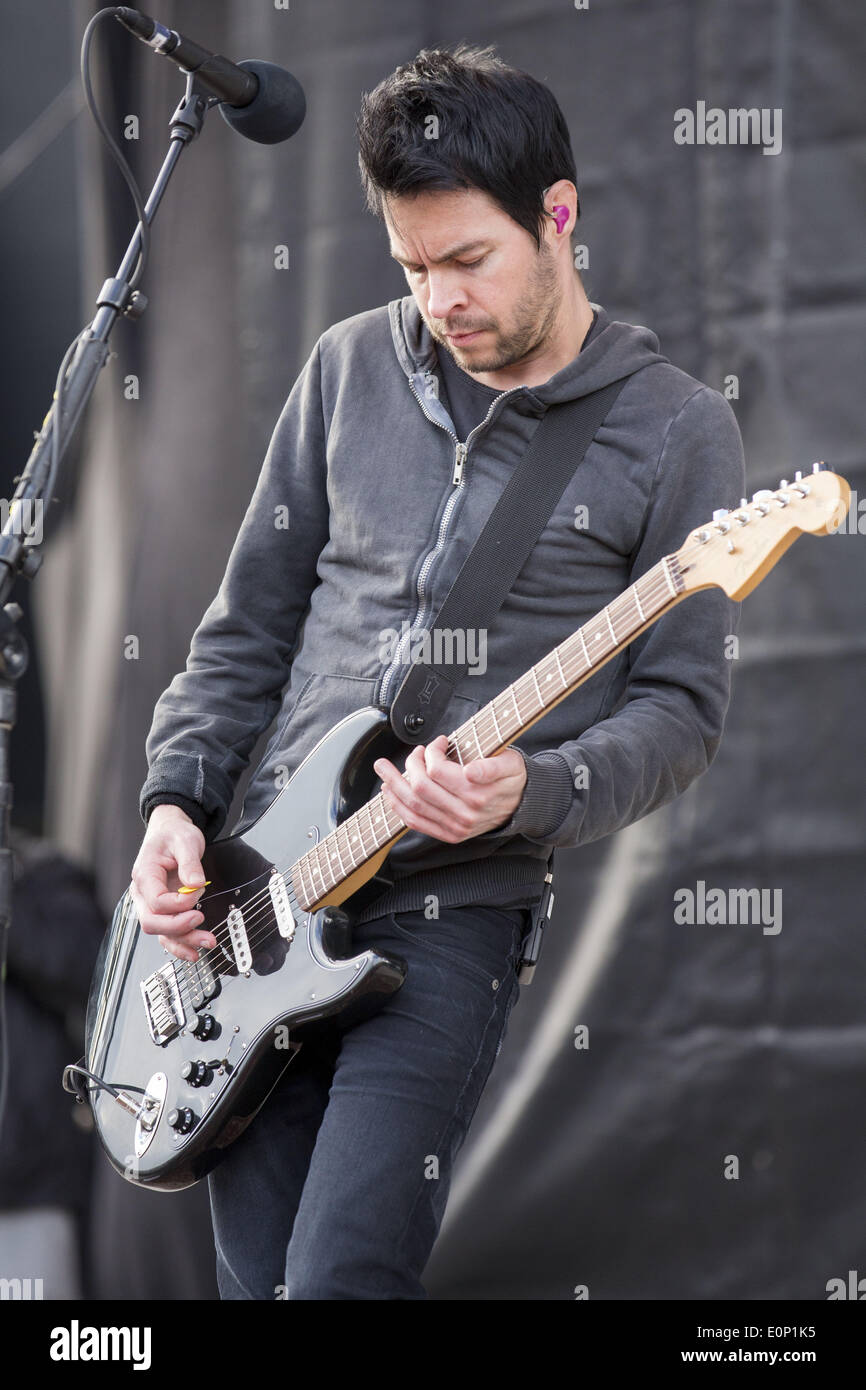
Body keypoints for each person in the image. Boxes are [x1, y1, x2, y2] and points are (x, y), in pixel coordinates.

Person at [130, 43, 746, 1299]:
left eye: (468, 260)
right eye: (412, 267)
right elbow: (244, 629)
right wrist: (171, 810)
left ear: (557, 217)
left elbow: (680, 713)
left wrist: (528, 786)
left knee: (344, 1275)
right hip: (258, 899)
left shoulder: (674, 426)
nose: (439, 301)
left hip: (451, 910)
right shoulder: (346, 368)